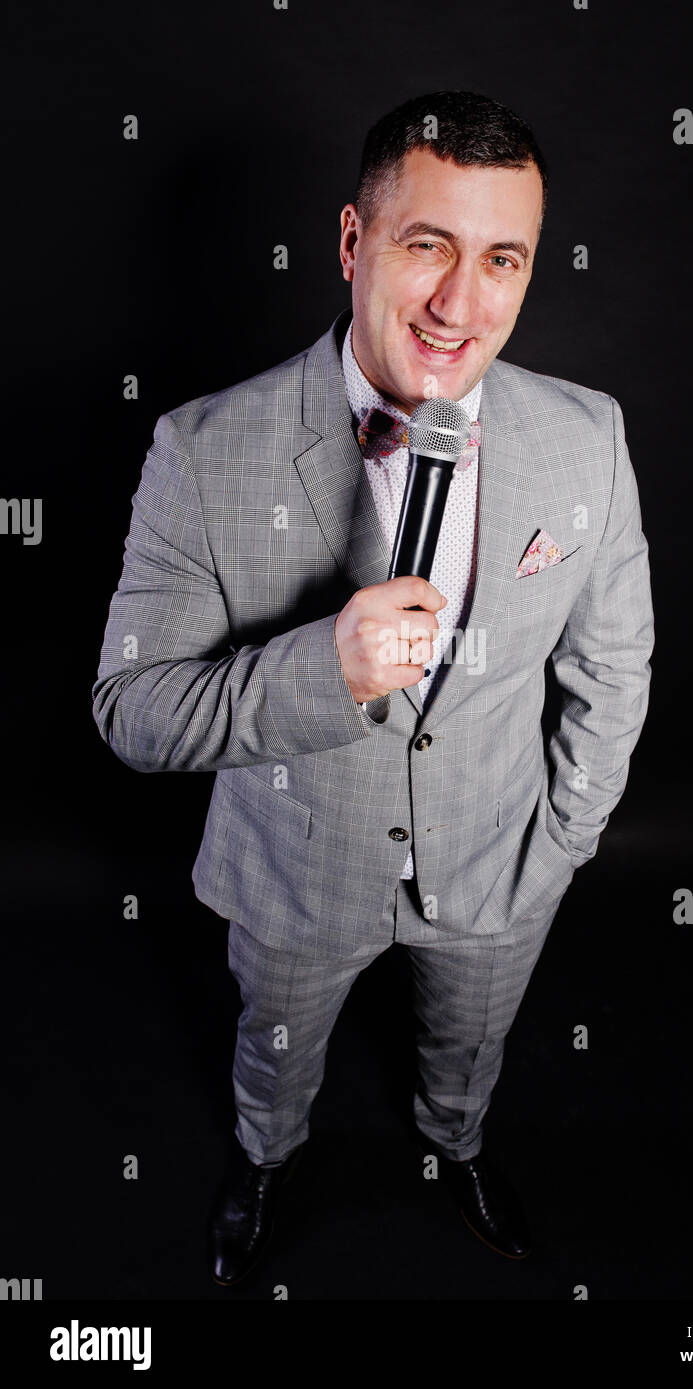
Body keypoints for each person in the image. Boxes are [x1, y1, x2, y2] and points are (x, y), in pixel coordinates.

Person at [92, 89, 654, 1285]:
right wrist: (321, 668)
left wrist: (563, 836)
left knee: (472, 1045)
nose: (460, 306)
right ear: (353, 244)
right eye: (426, 247)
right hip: (296, 868)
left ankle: (454, 1144)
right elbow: (130, 711)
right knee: (273, 1057)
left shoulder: (587, 435)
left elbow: (613, 665)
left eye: (501, 258)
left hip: (505, 863)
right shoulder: (201, 452)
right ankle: (265, 1158)